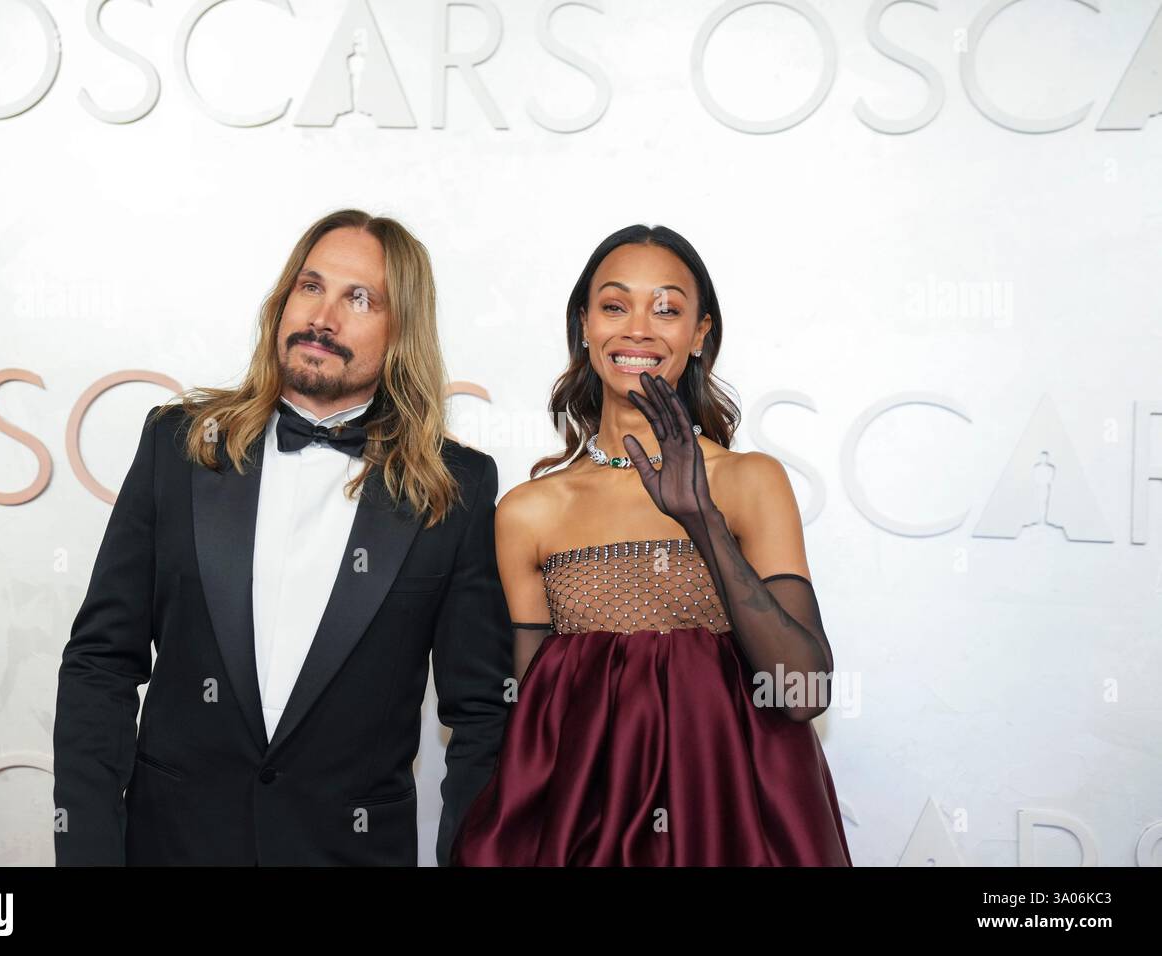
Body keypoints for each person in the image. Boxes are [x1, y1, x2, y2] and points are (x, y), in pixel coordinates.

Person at [53, 209, 512, 866]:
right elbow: (101, 662)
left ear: (403, 332)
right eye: (310, 286)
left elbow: (482, 717)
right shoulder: (178, 445)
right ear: (282, 302)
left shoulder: (458, 488)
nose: (324, 316)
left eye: (360, 299)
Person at [450, 224, 852, 866]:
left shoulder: (750, 482)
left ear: (700, 335)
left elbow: (802, 692)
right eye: (614, 306)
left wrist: (704, 523)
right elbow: (530, 725)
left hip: (733, 824)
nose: (638, 329)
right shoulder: (529, 511)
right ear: (584, 325)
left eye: (666, 309)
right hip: (585, 832)